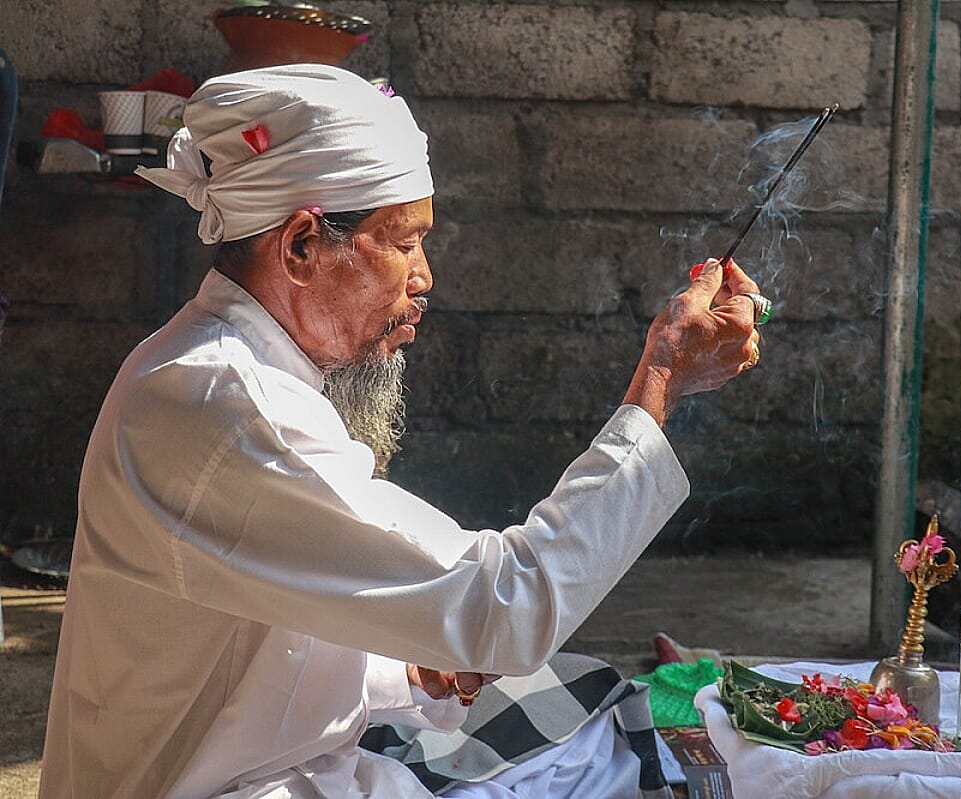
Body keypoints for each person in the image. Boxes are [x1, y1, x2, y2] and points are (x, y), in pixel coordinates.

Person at [38, 64, 765, 798]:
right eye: (404, 242)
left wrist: (410, 669)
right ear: (300, 247)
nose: (424, 277)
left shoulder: (230, 373)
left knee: (592, 727)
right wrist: (661, 381)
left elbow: (263, 636)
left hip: (278, 772)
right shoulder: (229, 404)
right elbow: (509, 604)